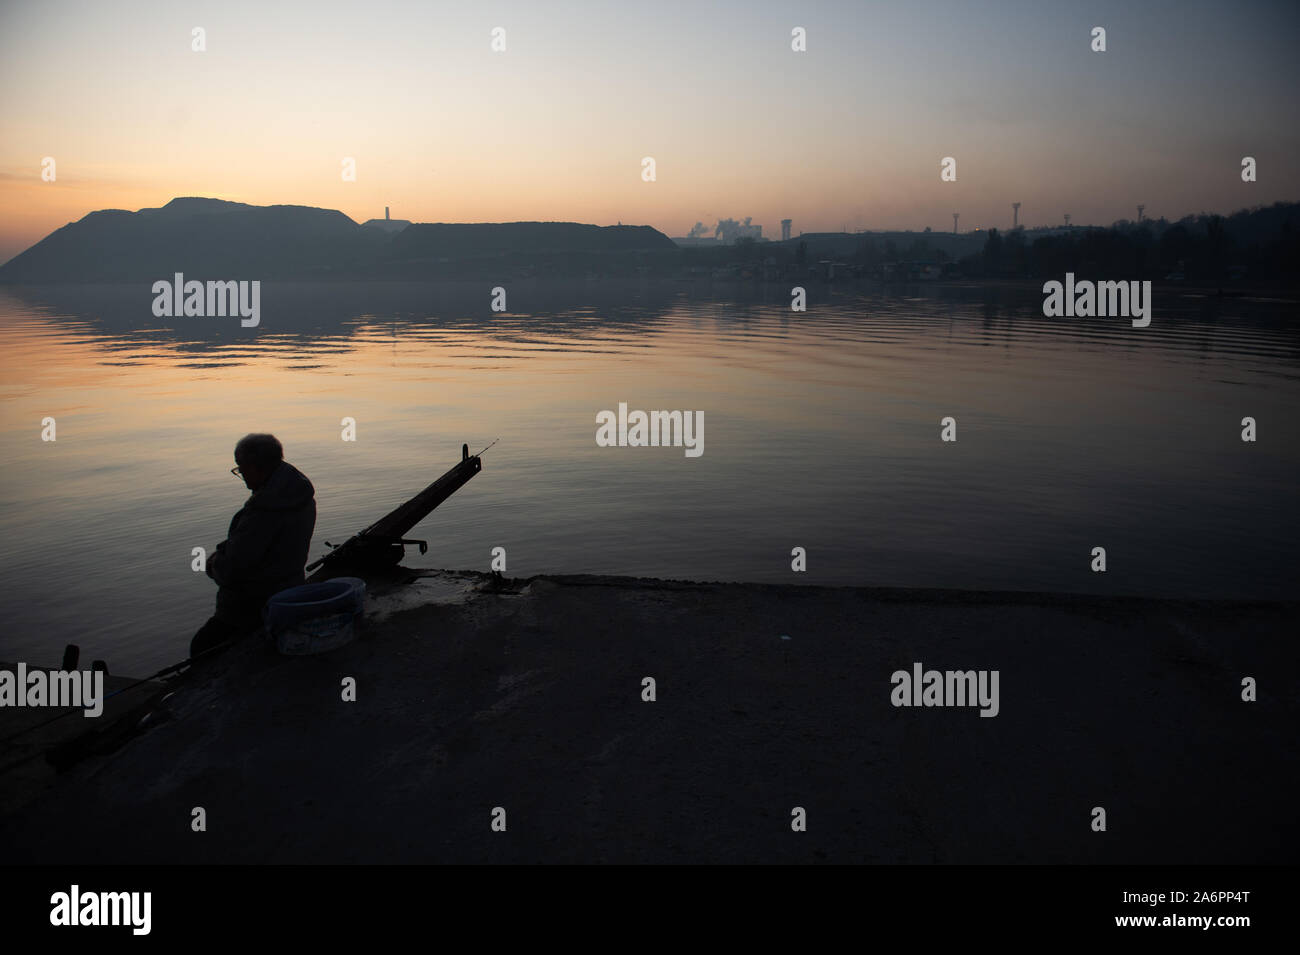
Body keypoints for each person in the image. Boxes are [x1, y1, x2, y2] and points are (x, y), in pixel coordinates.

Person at [189, 434, 316, 658]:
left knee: (202, 646)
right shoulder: (299, 492)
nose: (242, 476)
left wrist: (213, 563)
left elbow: (233, 569)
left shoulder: (263, 512)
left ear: (257, 468)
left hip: (253, 604)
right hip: (289, 587)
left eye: (241, 469)